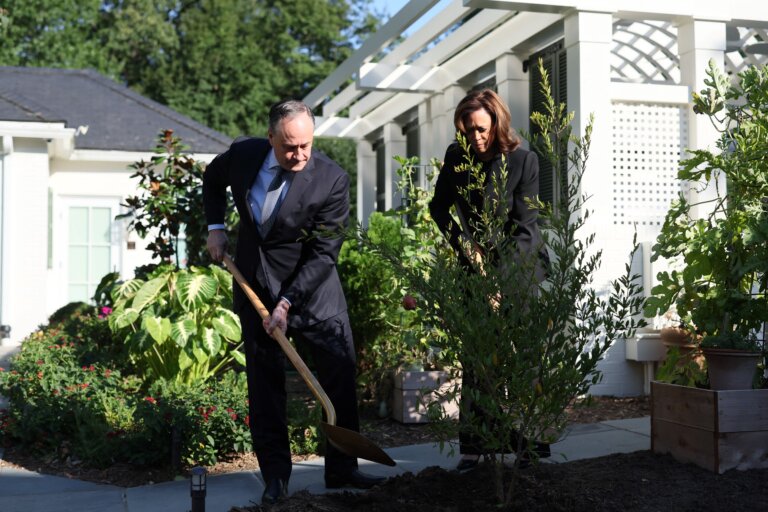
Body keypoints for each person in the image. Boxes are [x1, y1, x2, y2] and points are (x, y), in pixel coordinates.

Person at [203, 99, 386, 504]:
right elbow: (211, 181)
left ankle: (343, 470)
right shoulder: (243, 155)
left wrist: (287, 302)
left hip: (315, 294)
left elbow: (323, 252)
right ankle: (275, 477)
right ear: (270, 138)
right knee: (265, 387)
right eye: (289, 147)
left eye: (306, 145)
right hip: (255, 289)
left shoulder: (331, 179)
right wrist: (216, 227)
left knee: (338, 378)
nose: (300, 154)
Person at [428, 88, 550, 471]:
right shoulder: (457, 158)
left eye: (480, 129)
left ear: (496, 123)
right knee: (479, 355)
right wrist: (468, 250)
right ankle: (475, 445)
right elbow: (439, 209)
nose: (475, 139)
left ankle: (529, 441)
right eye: (466, 132)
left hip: (521, 264)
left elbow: (525, 227)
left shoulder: (524, 161)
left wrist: (502, 282)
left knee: (523, 354)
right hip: (474, 263)